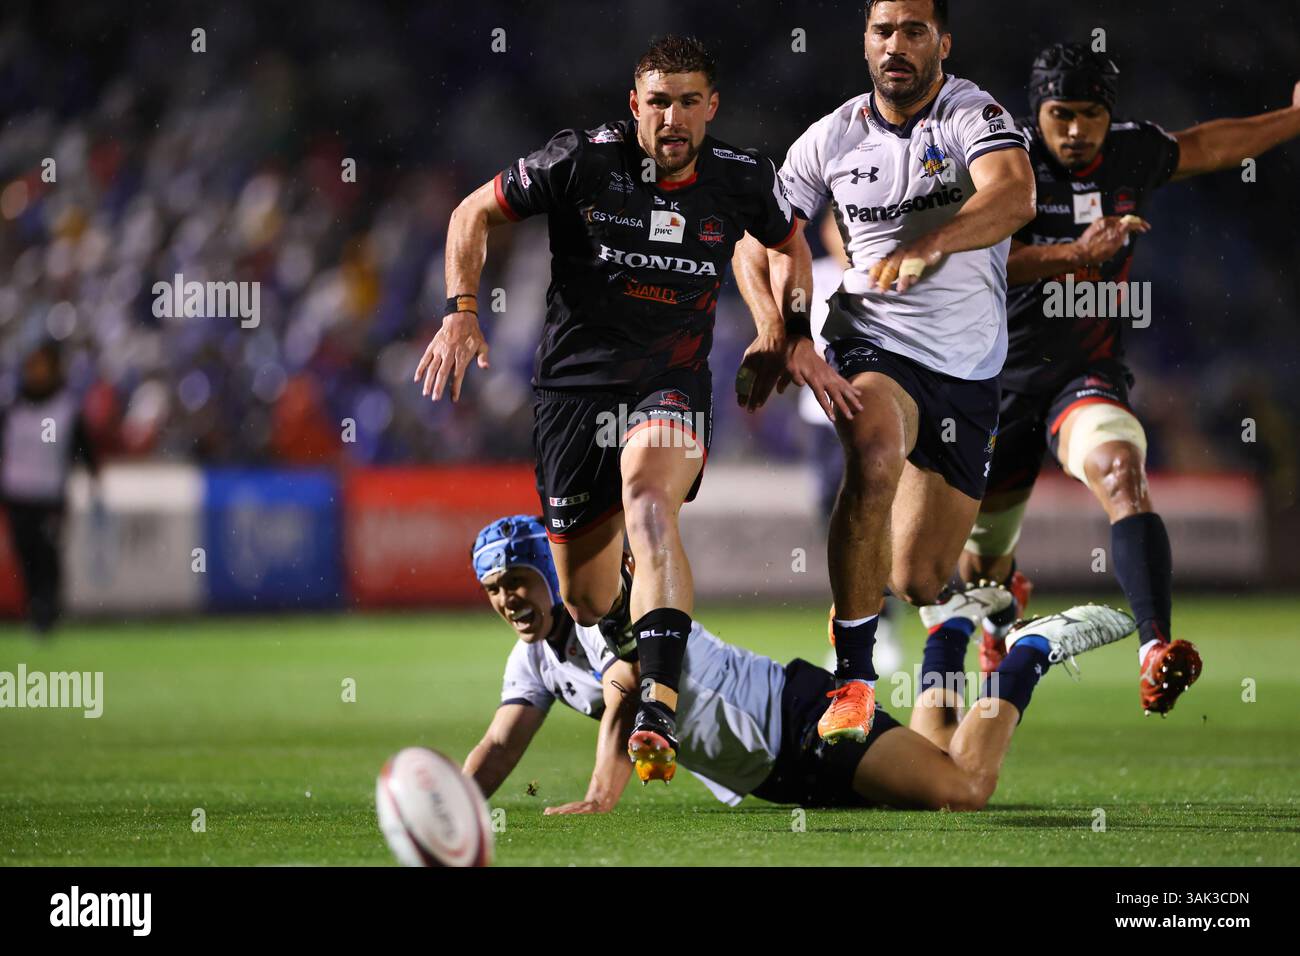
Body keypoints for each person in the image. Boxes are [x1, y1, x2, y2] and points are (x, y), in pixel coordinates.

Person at [415, 36, 861, 784]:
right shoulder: (581, 161)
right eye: (658, 101)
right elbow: (471, 213)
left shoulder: (741, 177)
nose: (674, 117)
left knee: (649, 499)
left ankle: (656, 699)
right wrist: (462, 309)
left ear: (711, 107)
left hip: (672, 384)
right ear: (635, 106)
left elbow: (787, 247)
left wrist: (786, 332)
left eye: (690, 101)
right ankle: (634, 629)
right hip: (572, 397)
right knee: (587, 601)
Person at [958, 42, 1300, 715]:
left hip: (1083, 376)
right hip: (995, 381)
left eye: (1092, 114)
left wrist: (1294, 119)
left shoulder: (1131, 154)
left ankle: (1154, 650)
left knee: (1122, 470)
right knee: (980, 565)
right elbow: (982, 258)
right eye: (1062, 114)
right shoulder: (1002, 162)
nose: (1078, 131)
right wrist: (1076, 256)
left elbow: (1209, 144)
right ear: (1038, 111)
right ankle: (1000, 610)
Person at [733, 0, 1035, 744]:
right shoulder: (831, 137)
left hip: (968, 369)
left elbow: (1014, 194)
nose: (895, 45)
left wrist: (938, 242)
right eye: (881, 31)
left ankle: (1019, 634)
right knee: (870, 452)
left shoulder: (972, 112)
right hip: (873, 344)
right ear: (865, 42)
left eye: (912, 31)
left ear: (942, 43)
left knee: (919, 580)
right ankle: (854, 686)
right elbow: (757, 239)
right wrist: (779, 329)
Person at [462, 515, 1137, 813]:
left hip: (803, 715)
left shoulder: (609, 610)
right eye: (494, 588)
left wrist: (602, 795)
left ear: (554, 572)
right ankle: (948, 625)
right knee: (935, 755)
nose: (507, 599)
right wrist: (453, 805)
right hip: (773, 776)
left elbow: (625, 689)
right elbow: (499, 742)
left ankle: (1030, 651)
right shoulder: (534, 656)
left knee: (964, 790)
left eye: (518, 579)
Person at [0, 341, 99, 633]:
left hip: (50, 494)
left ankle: (48, 609)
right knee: (25, 551)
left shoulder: (67, 407)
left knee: (47, 552)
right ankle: (35, 608)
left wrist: (94, 476)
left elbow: (83, 448)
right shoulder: (13, 407)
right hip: (18, 493)